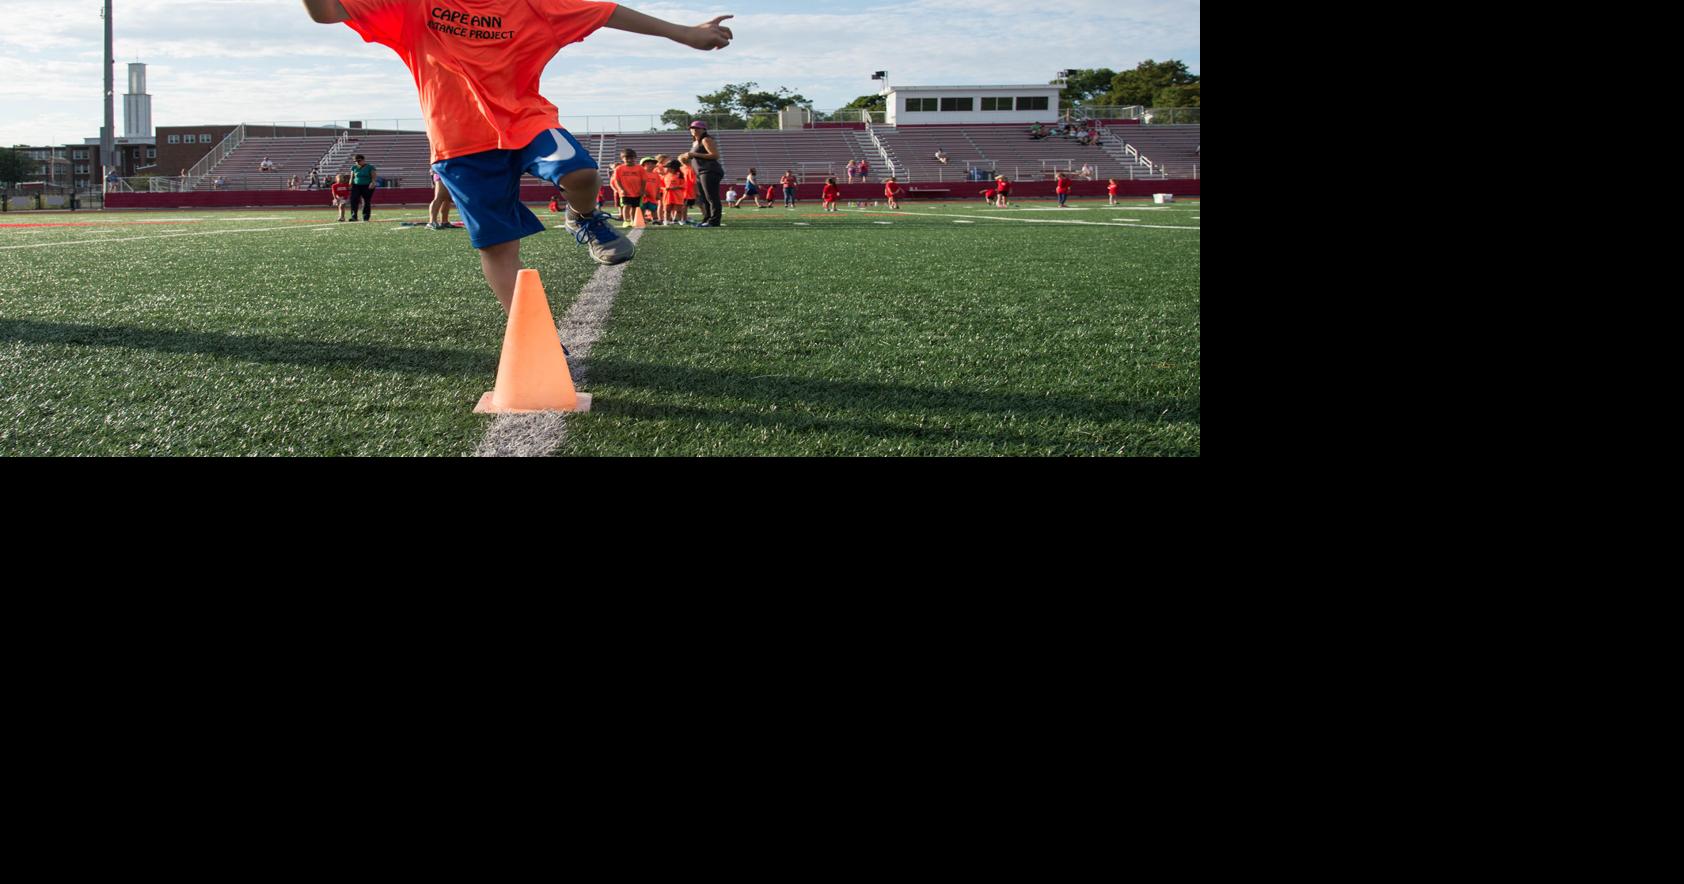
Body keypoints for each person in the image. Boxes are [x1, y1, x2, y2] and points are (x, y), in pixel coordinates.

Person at [302, 0, 734, 309]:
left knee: (582, 174)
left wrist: (685, 33)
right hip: (459, 143)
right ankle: (532, 334)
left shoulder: (533, 6)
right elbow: (324, 12)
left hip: (528, 121)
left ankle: (582, 218)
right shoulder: (413, 7)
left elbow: (607, 12)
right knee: (498, 246)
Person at [688, 119, 725, 227]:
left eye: (697, 128)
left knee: (711, 197)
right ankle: (707, 219)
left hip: (709, 171)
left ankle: (714, 221)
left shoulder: (706, 139)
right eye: (692, 128)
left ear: (704, 129)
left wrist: (693, 155)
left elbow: (715, 155)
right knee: (704, 198)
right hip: (701, 172)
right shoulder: (695, 142)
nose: (693, 130)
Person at [610, 148, 642, 223]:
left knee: (634, 207)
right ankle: (626, 221)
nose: (629, 160)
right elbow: (617, 180)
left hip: (636, 192)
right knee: (626, 206)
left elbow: (643, 180)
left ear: (635, 158)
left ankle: (633, 220)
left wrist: (642, 189)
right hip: (625, 192)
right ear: (622, 159)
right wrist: (621, 189)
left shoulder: (640, 168)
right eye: (627, 158)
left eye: (632, 157)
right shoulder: (619, 169)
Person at [347, 154, 376, 221]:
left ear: (363, 160)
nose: (357, 162)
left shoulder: (370, 167)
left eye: (359, 161)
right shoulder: (354, 167)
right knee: (353, 200)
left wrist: (373, 182)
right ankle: (354, 217)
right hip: (356, 185)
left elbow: (373, 176)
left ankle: (365, 217)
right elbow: (352, 177)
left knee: (366, 201)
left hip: (367, 186)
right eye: (355, 161)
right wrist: (350, 183)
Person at [639, 156, 663, 225]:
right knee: (642, 208)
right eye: (648, 163)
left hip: (653, 195)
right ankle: (642, 219)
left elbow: (658, 185)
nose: (651, 165)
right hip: (643, 195)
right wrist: (643, 191)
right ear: (643, 165)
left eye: (653, 164)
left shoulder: (656, 175)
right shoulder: (641, 174)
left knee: (653, 208)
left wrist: (658, 194)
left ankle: (655, 219)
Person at [662, 159, 686, 224]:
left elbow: (684, 185)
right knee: (667, 209)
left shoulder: (680, 175)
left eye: (668, 167)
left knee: (678, 209)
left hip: (678, 195)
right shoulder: (665, 176)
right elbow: (661, 186)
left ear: (673, 168)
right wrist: (665, 188)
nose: (666, 169)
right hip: (668, 195)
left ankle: (679, 220)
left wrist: (677, 187)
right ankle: (666, 220)